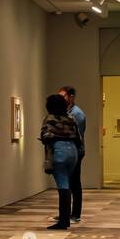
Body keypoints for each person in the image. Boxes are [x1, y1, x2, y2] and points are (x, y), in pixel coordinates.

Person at [40, 93, 83, 230]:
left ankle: (63, 220)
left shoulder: (49, 118)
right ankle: (66, 218)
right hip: (73, 152)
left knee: (63, 186)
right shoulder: (71, 117)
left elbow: (45, 136)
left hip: (59, 152)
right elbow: (78, 137)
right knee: (68, 184)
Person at [60, 84, 87, 222]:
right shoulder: (65, 112)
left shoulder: (77, 114)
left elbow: (77, 136)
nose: (60, 98)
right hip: (69, 151)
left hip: (76, 151)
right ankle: (66, 213)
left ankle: (75, 214)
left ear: (71, 97)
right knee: (68, 182)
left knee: (75, 183)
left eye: (62, 96)